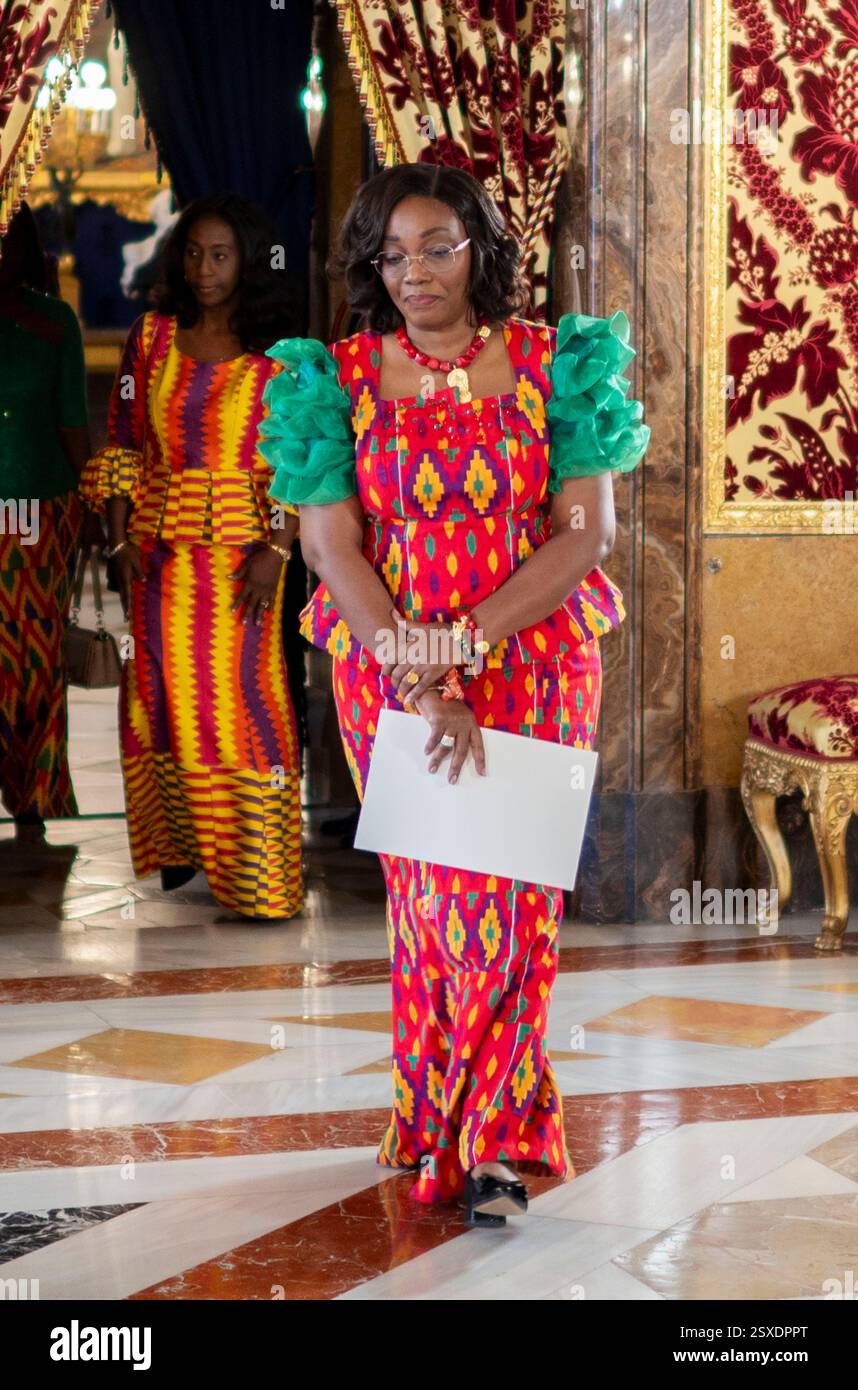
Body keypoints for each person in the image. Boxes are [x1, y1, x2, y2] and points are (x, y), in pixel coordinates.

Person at [259, 163, 650, 1220]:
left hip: (535, 656)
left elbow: (587, 532)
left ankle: (496, 1140)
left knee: (514, 903)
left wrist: (465, 644)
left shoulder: (555, 365)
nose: (414, 271)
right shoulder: (330, 378)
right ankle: (438, 1115)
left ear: (481, 246)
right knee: (433, 905)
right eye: (390, 253)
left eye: (437, 245)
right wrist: (423, 673)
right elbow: (332, 547)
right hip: (385, 666)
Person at [80, 194, 303, 919]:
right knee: (159, 702)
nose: (204, 269)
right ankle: (186, 856)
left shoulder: (281, 356)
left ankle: (260, 877)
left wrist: (277, 548)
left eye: (221, 255)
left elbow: (302, 464)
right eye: (194, 253)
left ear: (247, 263)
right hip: (156, 555)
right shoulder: (150, 339)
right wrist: (118, 540)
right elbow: (121, 440)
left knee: (244, 702)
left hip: (242, 562)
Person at [0, 204, 90, 840]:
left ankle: (33, 793)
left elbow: (72, 424)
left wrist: (93, 509)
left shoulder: (55, 322)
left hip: (37, 513)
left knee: (31, 657)